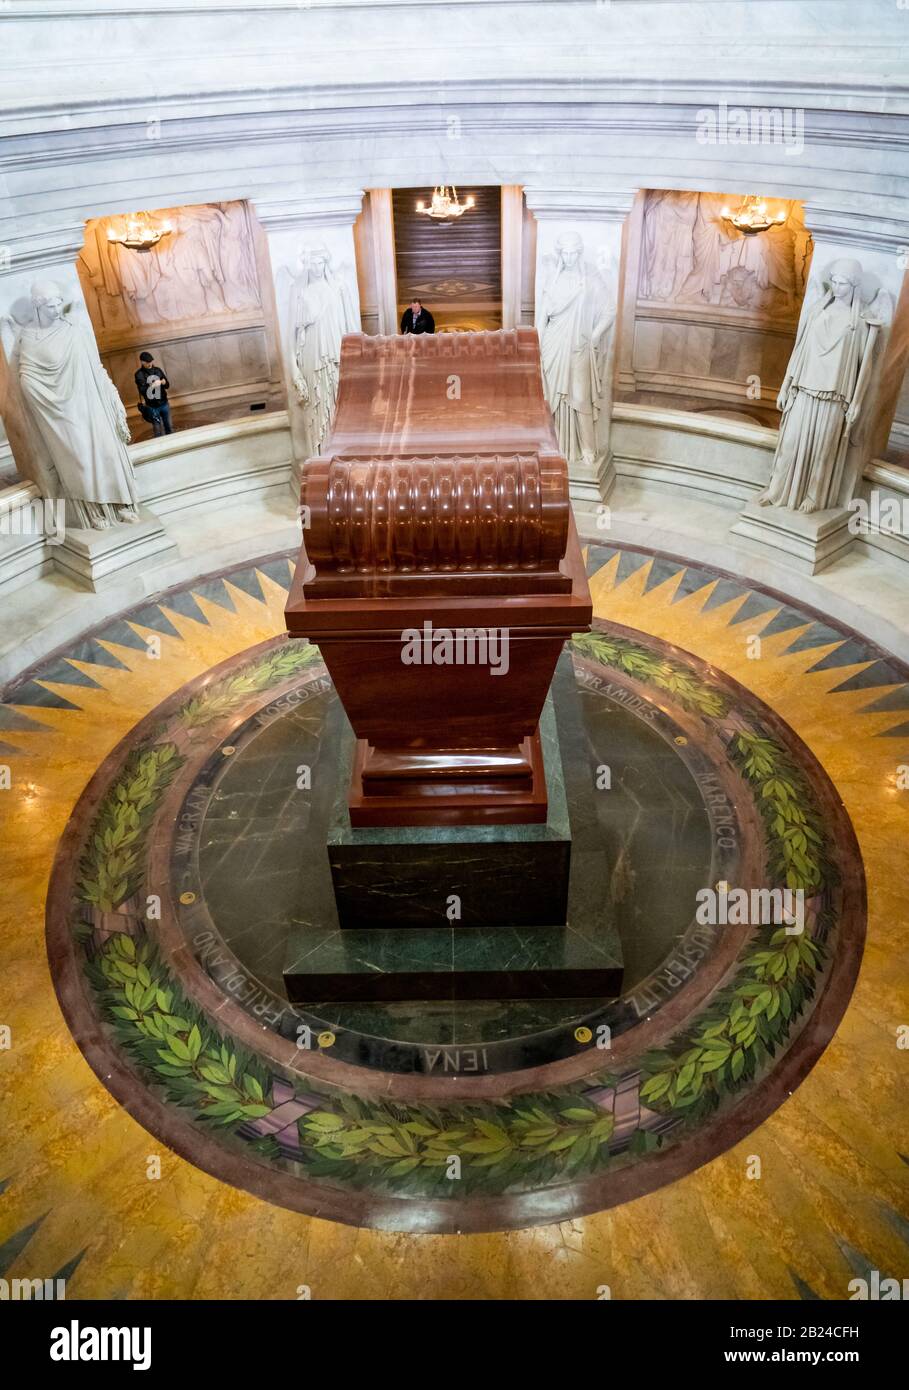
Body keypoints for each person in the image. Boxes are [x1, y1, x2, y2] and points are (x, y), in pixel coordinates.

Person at [135, 351, 173, 436]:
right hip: (152, 407)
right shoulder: (139, 374)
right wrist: (153, 385)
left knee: (169, 428)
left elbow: (167, 385)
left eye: (151, 361)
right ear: (142, 362)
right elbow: (142, 391)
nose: (150, 364)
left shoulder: (158, 370)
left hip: (164, 403)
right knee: (158, 431)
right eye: (147, 362)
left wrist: (163, 382)